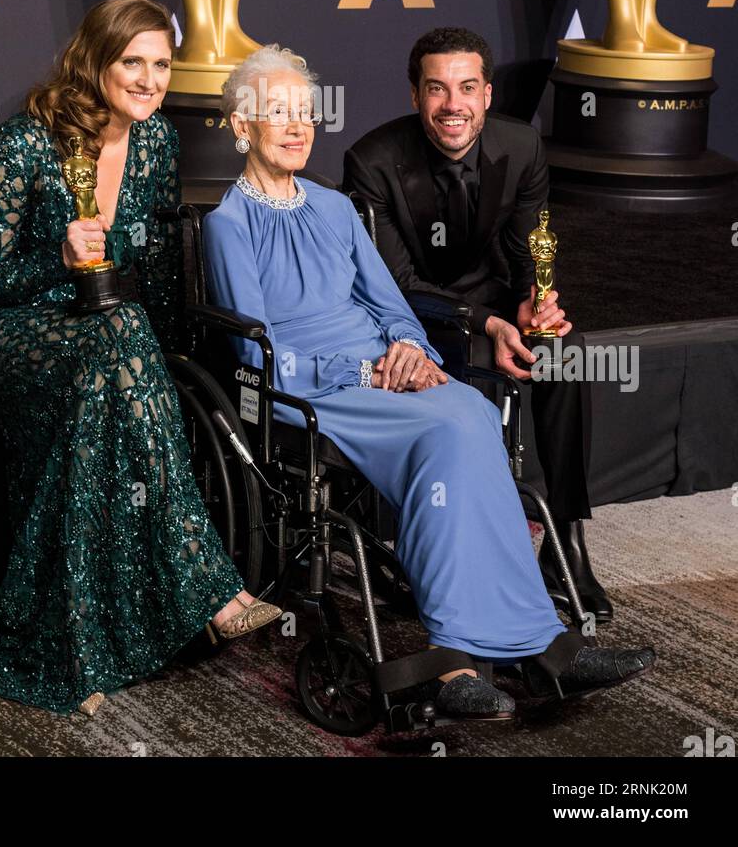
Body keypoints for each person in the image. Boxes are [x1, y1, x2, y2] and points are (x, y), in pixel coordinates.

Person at [202, 44, 655, 720]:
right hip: (315, 393)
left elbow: (391, 308)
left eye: (304, 112)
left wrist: (409, 350)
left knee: (469, 412)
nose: (297, 126)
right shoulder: (227, 225)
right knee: (451, 429)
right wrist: (367, 370)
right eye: (276, 113)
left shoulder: (332, 210)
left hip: (391, 375)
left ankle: (540, 647)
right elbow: (257, 353)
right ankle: (459, 661)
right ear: (242, 127)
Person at [0, 0, 279, 717]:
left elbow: (163, 265)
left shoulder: (158, 142)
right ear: (94, 62)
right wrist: (56, 257)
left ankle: (75, 643)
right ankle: (211, 589)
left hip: (94, 332)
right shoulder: (23, 143)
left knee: (124, 343)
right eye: (131, 62)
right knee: (118, 334)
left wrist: (165, 368)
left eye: (161, 65)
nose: (148, 78)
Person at [342, 27, 610, 622]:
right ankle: (468, 555)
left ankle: (566, 542)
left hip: (491, 303)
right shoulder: (372, 160)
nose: (452, 105)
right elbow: (391, 286)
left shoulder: (522, 146)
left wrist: (531, 305)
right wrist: (487, 324)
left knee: (568, 351)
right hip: (416, 317)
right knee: (484, 359)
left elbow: (527, 256)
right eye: (436, 88)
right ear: (415, 96)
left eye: (467, 88)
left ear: (487, 95)